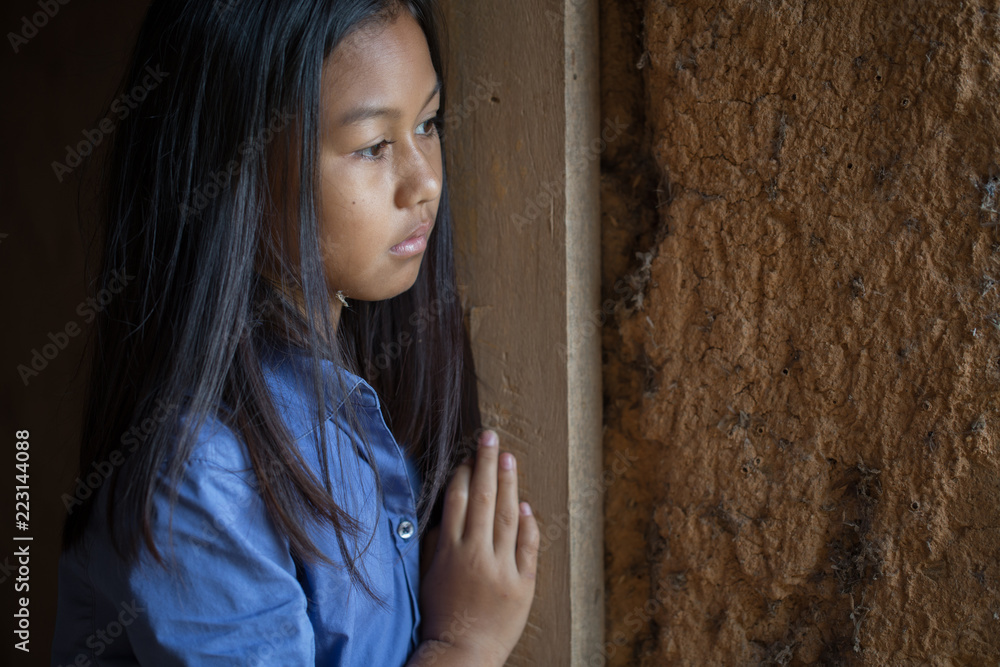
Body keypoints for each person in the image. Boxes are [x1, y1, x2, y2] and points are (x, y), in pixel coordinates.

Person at [50, 1, 539, 665]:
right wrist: (465, 644)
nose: (425, 181)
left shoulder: (376, 387)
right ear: (233, 170)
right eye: (372, 146)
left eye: (428, 123)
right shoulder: (201, 480)